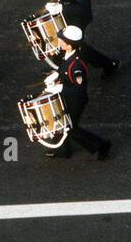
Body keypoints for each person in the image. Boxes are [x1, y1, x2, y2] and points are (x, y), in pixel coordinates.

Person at [43, 26, 111, 160]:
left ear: (69, 45)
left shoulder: (76, 66)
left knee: (70, 128)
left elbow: (78, 89)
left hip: (76, 100)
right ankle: (63, 149)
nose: (59, 42)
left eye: (62, 40)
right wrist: (56, 75)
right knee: (64, 123)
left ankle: (101, 145)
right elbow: (64, 70)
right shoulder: (71, 55)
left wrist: (60, 88)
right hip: (69, 97)